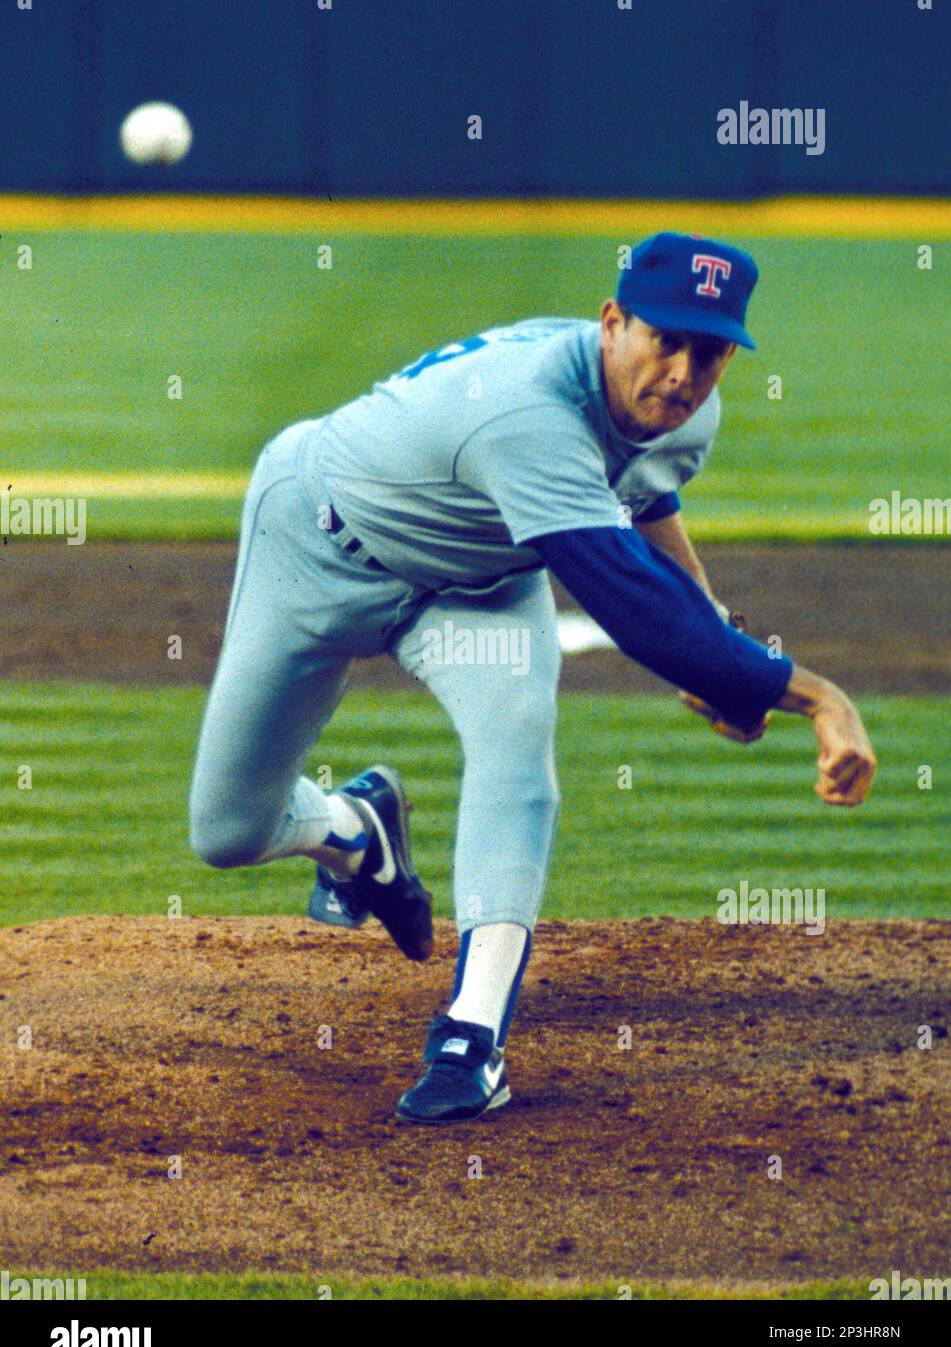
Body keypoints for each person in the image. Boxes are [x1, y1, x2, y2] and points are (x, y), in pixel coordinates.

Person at [189, 231, 876, 1125]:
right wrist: (815, 695)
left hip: (475, 593)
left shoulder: (686, 414)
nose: (680, 371)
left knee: (516, 746)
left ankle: (469, 1039)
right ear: (611, 322)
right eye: (662, 339)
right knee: (228, 831)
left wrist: (715, 648)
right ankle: (356, 833)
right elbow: (633, 606)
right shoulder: (524, 415)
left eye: (708, 352)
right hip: (314, 550)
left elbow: (646, 503)